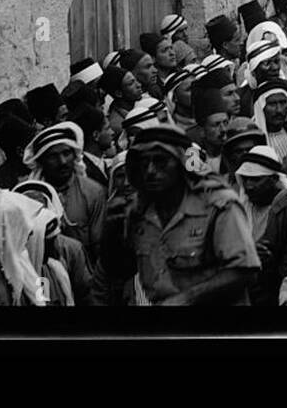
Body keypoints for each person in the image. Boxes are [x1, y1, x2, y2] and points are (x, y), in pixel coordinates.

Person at [102, 124, 260, 306]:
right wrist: (110, 232)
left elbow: (245, 271)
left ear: (180, 163)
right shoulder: (138, 211)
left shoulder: (218, 204)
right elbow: (120, 271)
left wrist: (187, 298)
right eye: (144, 164)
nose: (150, 171)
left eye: (161, 162)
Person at [22, 122, 106, 266]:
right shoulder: (28, 196)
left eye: (66, 153)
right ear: (41, 161)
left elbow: (99, 245)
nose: (62, 161)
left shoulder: (93, 192)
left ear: (75, 155)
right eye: (53, 156)